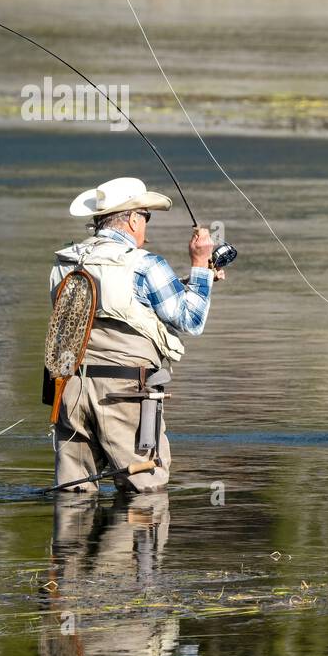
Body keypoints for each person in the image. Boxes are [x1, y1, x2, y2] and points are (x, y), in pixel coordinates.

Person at [48, 177, 223, 492]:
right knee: (146, 492)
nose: (145, 225)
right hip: (126, 392)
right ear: (131, 219)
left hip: (70, 389)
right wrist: (199, 267)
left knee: (73, 493)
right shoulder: (145, 265)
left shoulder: (66, 261)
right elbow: (191, 320)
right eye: (146, 217)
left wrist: (188, 281)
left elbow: (111, 304)